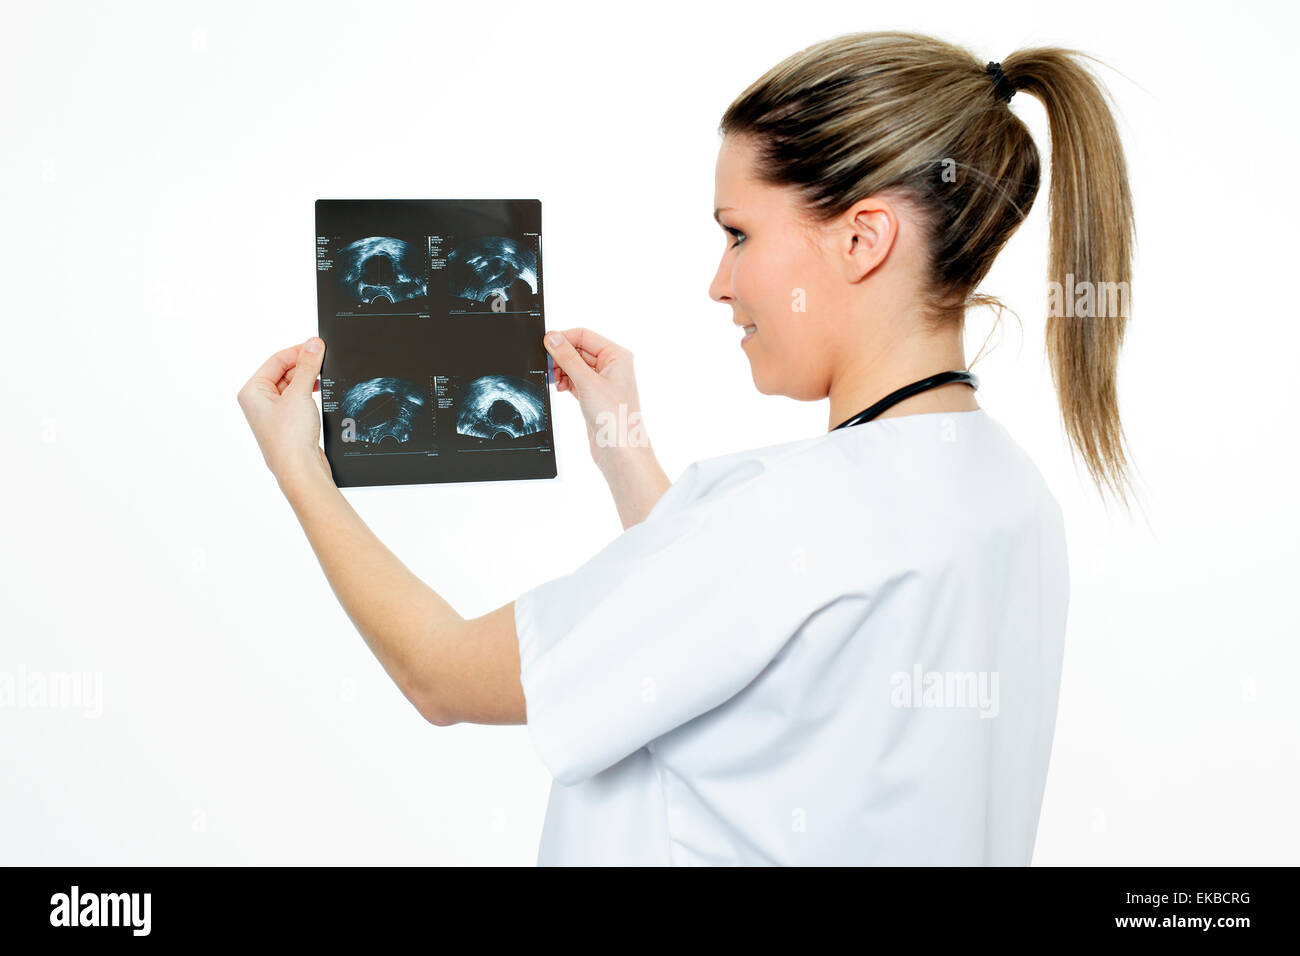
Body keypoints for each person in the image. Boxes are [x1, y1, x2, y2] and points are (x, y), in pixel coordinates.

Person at [238, 30, 1135, 866]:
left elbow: (440, 675)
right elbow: (753, 637)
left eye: (738, 234)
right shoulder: (1011, 498)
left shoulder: (789, 512)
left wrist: (300, 471)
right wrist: (624, 447)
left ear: (863, 238)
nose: (720, 283)